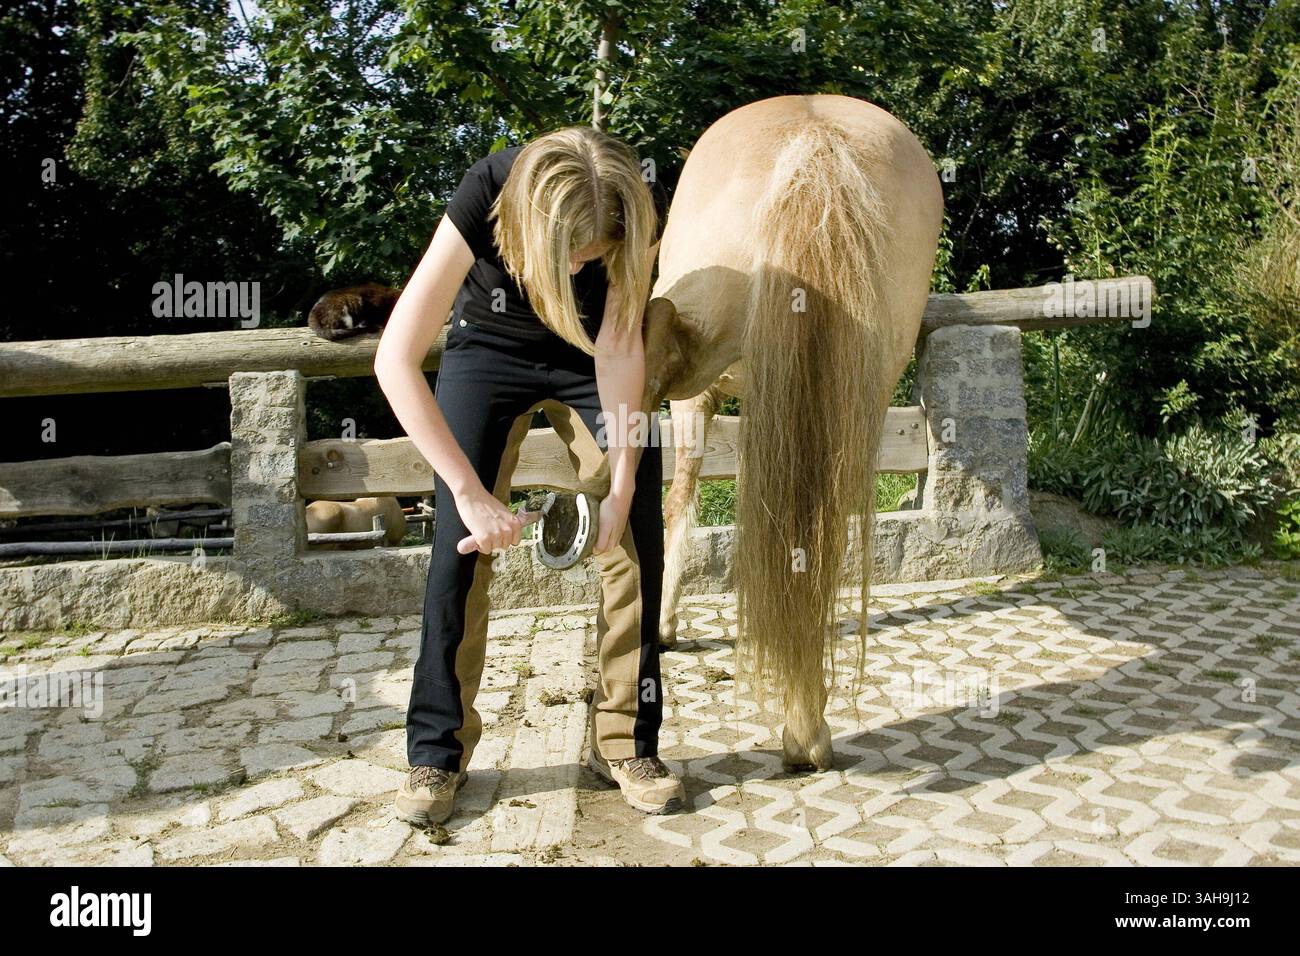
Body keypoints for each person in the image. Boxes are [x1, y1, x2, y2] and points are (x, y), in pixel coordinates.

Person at [374, 127, 685, 823]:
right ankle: (435, 755)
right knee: (458, 547)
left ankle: (628, 741)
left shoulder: (633, 205)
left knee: (634, 527)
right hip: (489, 347)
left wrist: (625, 480)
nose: (581, 267)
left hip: (590, 357)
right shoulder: (486, 190)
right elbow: (394, 359)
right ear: (530, 223)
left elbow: (619, 344)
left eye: (595, 254)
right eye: (571, 252)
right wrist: (468, 491)